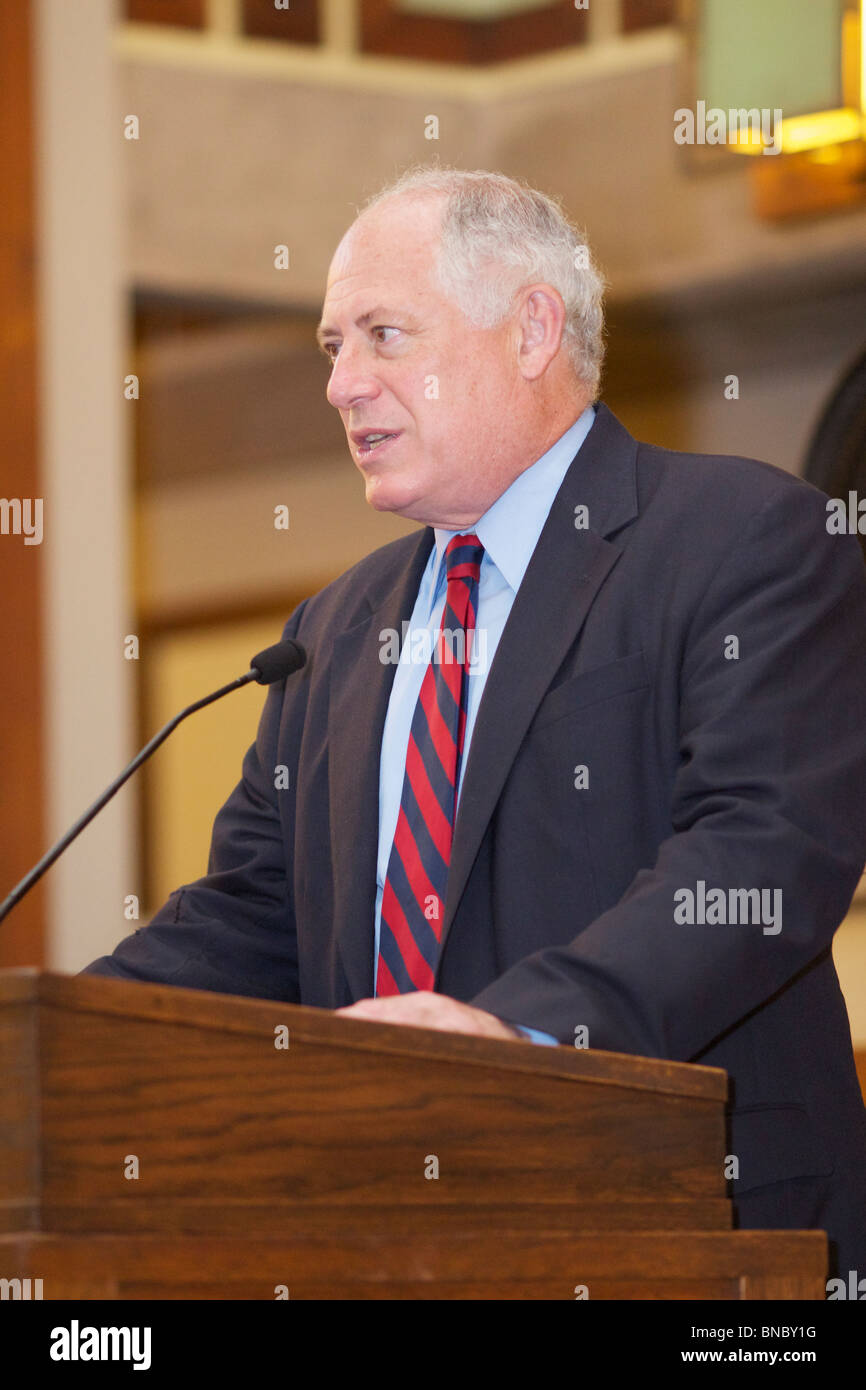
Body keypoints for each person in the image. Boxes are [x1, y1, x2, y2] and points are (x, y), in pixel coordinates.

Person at [83, 167, 866, 1280]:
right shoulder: (334, 629)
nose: (342, 384)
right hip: (389, 1240)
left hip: (698, 1225)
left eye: (382, 335)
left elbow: (763, 853)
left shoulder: (742, 540)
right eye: (329, 347)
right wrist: (59, 1039)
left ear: (531, 329)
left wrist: (519, 1040)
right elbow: (254, 919)